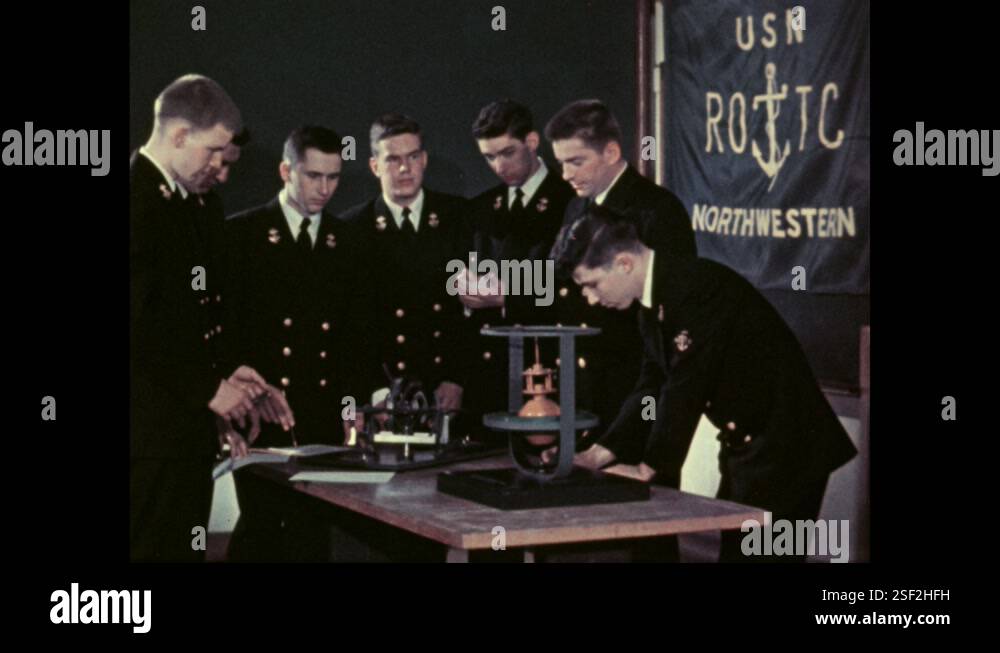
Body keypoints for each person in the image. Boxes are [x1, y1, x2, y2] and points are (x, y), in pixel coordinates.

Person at [550, 204, 857, 562]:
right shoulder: (655, 299)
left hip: (789, 449)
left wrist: (652, 467)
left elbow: (685, 386)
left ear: (624, 263)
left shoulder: (695, 289)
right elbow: (652, 382)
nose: (590, 298)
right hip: (748, 450)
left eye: (592, 284)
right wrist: (601, 452)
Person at [130, 74, 291, 562]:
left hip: (181, 432)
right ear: (178, 135)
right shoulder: (136, 200)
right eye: (213, 151)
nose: (220, 169)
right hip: (144, 437)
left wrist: (224, 376)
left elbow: (191, 314)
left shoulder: (192, 205)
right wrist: (207, 386)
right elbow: (138, 324)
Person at [544, 98, 698, 470]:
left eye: (576, 161)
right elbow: (562, 285)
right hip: (583, 387)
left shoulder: (657, 211)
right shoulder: (577, 207)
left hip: (634, 391)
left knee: (641, 516)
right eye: (561, 163)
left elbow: (669, 323)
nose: (565, 174)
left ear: (611, 151)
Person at [340, 113, 473, 425]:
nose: (404, 168)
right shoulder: (352, 228)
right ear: (374, 166)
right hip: (383, 392)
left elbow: (475, 313)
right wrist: (371, 391)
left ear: (424, 159)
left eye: (413, 157)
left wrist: (458, 377)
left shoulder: (459, 217)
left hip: (445, 390)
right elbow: (349, 325)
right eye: (393, 159)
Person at [463, 99, 579, 424]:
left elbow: (571, 287)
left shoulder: (570, 202)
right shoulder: (483, 209)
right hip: (491, 374)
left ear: (531, 142)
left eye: (507, 153)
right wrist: (464, 289)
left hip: (547, 371)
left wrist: (508, 298)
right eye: (489, 157)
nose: (499, 166)